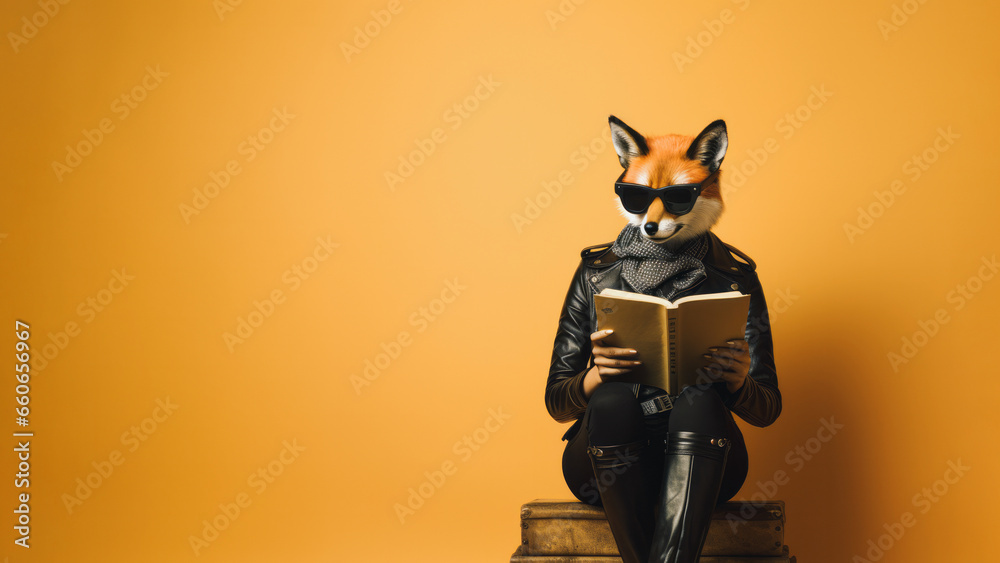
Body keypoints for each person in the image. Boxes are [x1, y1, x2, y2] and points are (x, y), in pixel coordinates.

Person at [545, 116, 782, 563]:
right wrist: (595, 378)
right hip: (603, 459)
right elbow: (557, 401)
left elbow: (767, 408)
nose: (653, 218)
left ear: (708, 184)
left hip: (704, 460)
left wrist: (738, 382)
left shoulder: (735, 277)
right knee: (611, 399)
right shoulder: (596, 273)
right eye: (638, 198)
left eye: (676, 199)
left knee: (699, 399)